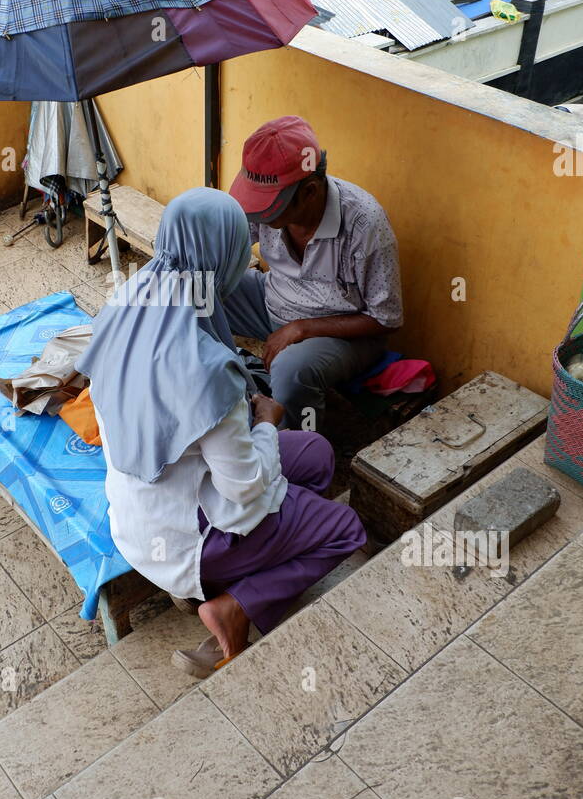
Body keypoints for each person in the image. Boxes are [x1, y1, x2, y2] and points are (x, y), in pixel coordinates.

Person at [78, 189, 367, 674]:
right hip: (187, 537)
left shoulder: (128, 300)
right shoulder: (209, 369)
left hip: (137, 517)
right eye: (243, 249)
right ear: (226, 257)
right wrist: (267, 422)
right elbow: (244, 485)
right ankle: (233, 604)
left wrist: (251, 428)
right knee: (344, 528)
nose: (249, 260)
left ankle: (247, 568)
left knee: (316, 454)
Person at [225, 116, 402, 432]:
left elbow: (386, 319)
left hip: (343, 334)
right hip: (273, 301)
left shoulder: (365, 224)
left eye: (269, 209)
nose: (259, 217)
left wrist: (302, 329)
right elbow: (228, 246)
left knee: (291, 370)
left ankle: (294, 452)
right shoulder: (268, 206)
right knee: (194, 288)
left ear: (309, 191)